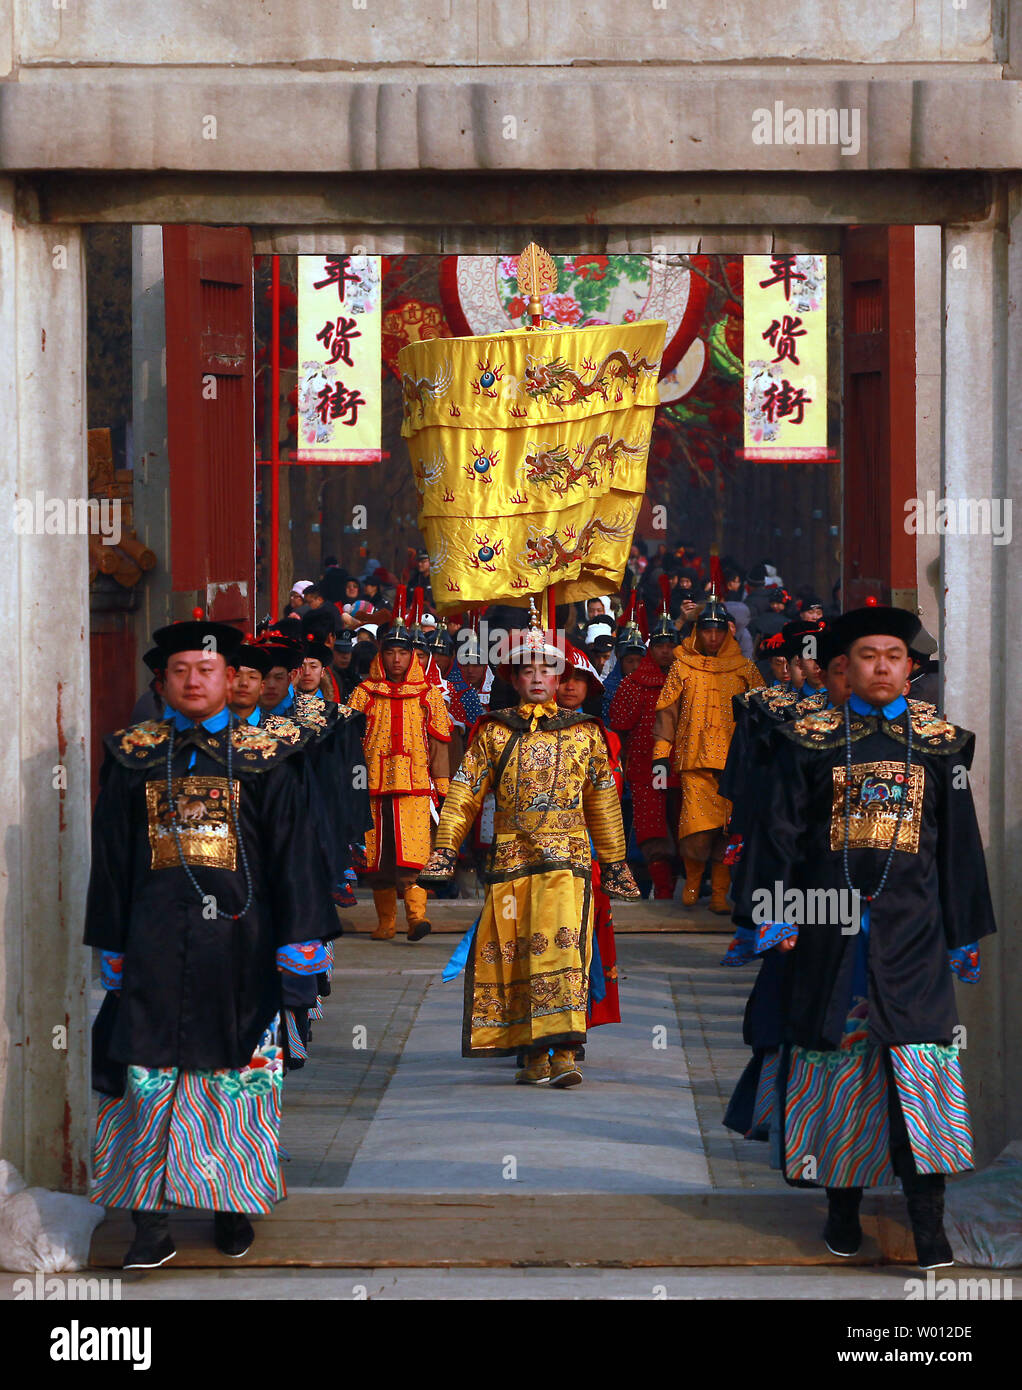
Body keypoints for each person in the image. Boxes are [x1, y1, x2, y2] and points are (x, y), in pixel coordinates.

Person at [732, 605, 997, 1269]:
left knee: (920, 1074)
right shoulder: (810, 739)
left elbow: (959, 847)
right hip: (829, 933)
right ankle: (842, 1209)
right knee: (840, 1070)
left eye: (894, 657)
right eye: (867, 657)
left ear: (910, 670)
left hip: (914, 934)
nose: (882, 666)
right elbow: (781, 833)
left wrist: (962, 933)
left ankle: (927, 1221)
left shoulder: (940, 745)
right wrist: (775, 910)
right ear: (843, 670)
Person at [85, 619, 338, 1268]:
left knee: (232, 1079)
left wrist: (297, 943)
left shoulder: (265, 758)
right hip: (153, 946)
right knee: (145, 1078)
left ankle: (232, 1205)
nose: (193, 681)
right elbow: (112, 858)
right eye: (180, 671)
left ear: (231, 680)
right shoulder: (132, 754)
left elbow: (293, 856)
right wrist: (110, 942)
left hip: (240, 947)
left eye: (206, 670)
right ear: (163, 682)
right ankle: (148, 1223)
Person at [419, 614, 638, 1085]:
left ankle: (564, 1053)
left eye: (546, 670)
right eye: (528, 670)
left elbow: (603, 801)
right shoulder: (494, 733)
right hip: (512, 862)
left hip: (569, 862)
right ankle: (531, 1054)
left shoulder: (586, 733)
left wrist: (616, 862)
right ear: (514, 679)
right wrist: (443, 850)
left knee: (564, 951)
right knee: (516, 953)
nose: (538, 678)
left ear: (560, 678)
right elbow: (464, 793)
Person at [346, 594, 452, 941]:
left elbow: (439, 741)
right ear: (381, 654)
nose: (396, 659)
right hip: (372, 786)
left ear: (413, 656)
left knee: (414, 854)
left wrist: (443, 783)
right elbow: (349, 742)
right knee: (377, 858)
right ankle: (385, 923)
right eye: (390, 652)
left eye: (403, 652)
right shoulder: (364, 692)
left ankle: (416, 917)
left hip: (416, 785)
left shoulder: (427, 694)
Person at [653, 590, 763, 912]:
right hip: (694, 759)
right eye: (706, 630)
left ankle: (719, 891)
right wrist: (661, 754)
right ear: (697, 630)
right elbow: (667, 713)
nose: (712, 637)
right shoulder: (682, 666)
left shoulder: (745, 669)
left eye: (718, 630)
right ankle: (691, 879)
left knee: (729, 828)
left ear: (728, 630)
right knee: (694, 825)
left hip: (733, 762)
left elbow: (761, 714)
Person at [608, 594, 679, 901]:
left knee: (686, 828)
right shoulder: (633, 683)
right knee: (652, 832)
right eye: (660, 645)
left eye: (670, 645)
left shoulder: (688, 680)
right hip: (645, 768)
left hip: (681, 766)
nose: (666, 651)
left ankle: (681, 887)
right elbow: (620, 724)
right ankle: (662, 891)